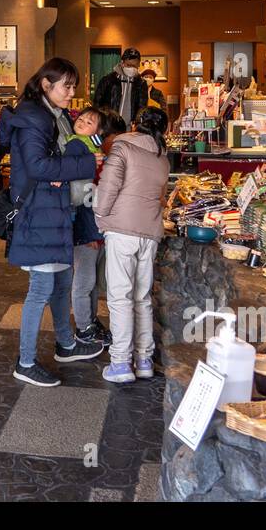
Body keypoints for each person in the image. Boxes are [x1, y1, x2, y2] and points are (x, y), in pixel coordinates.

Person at [0, 57, 106, 387]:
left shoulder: (52, 114)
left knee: (62, 279)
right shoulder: (34, 117)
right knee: (41, 288)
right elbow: (37, 167)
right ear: (46, 85)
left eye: (74, 86)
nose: (71, 93)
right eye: (67, 86)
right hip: (38, 212)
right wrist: (85, 163)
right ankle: (26, 361)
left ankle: (66, 344)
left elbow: (52, 160)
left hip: (53, 210)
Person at [94, 107, 170, 384]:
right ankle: (144, 359)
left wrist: (100, 216)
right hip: (150, 231)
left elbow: (108, 186)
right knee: (142, 297)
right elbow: (161, 197)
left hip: (122, 229)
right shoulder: (163, 157)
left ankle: (120, 363)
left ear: (136, 124)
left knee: (119, 298)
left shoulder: (123, 148)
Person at [66, 106, 111, 345]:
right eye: (81, 118)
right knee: (84, 281)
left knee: (91, 282)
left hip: (94, 222)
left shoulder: (93, 147)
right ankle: (83, 328)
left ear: (100, 131)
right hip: (85, 225)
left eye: (90, 121)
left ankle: (91, 321)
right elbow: (80, 193)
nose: (83, 122)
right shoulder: (77, 146)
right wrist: (89, 232)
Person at [95, 47, 146, 126]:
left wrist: (138, 123)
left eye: (135, 66)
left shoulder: (141, 83)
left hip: (131, 127)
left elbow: (142, 107)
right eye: (129, 65)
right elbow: (97, 103)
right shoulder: (108, 80)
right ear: (122, 63)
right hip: (109, 126)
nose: (132, 68)